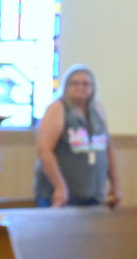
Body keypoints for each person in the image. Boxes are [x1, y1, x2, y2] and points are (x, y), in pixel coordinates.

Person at [34, 64, 120, 208]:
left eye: (86, 84)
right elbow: (44, 150)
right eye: (75, 83)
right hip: (62, 197)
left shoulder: (97, 109)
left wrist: (115, 184)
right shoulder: (58, 108)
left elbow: (107, 147)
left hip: (92, 195)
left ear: (93, 87)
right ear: (66, 86)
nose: (80, 87)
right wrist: (60, 187)